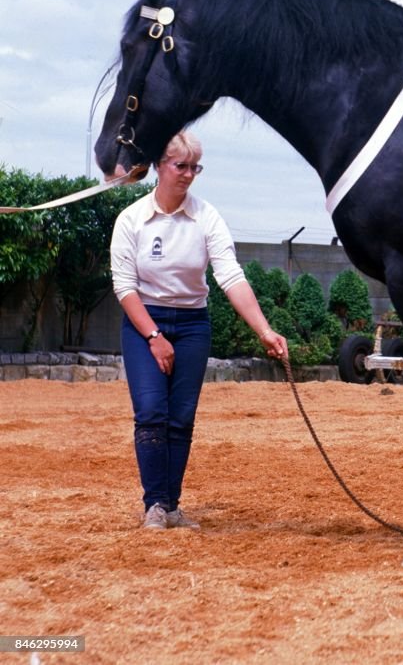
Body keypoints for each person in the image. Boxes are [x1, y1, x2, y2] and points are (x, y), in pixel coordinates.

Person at [110, 131, 289, 530]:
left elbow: (231, 276)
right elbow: (124, 287)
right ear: (159, 166)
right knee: (151, 412)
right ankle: (155, 505)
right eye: (181, 166)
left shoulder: (207, 217)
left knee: (181, 417)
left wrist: (264, 330)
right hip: (144, 323)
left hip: (192, 323)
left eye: (195, 167)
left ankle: (171, 506)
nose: (189, 174)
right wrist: (154, 337)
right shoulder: (131, 220)